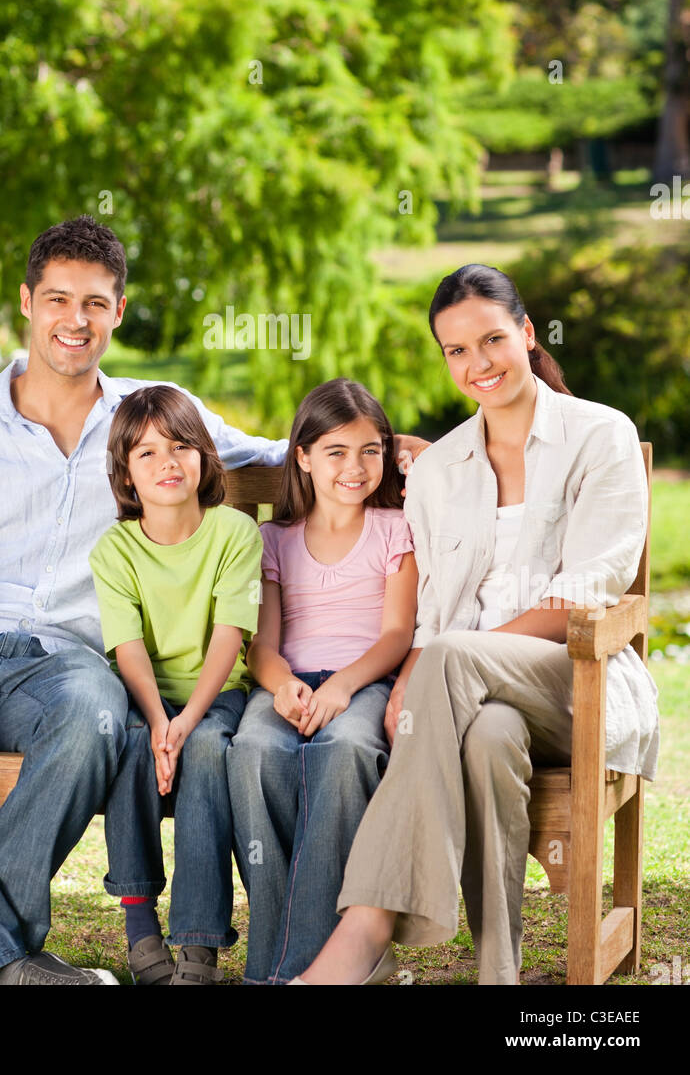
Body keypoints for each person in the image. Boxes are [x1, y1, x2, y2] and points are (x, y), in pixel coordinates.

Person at [0, 215, 289, 986]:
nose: (76, 320)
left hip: (71, 663)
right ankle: (6, 968)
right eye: (59, 300)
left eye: (95, 303)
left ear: (118, 309)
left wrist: (386, 443)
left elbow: (274, 456)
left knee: (97, 723)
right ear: (27, 303)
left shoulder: (155, 414)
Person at [296, 263, 659, 987]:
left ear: (526, 333)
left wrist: (440, 667)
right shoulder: (441, 469)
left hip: (579, 682)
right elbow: (434, 612)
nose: (478, 364)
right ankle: (500, 976)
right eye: (456, 351)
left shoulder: (600, 436)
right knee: (490, 736)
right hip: (474, 701)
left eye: (492, 340)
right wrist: (414, 680)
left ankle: (366, 926)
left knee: (458, 663)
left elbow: (588, 592)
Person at [227, 379, 417, 984]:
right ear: (301, 458)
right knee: (254, 750)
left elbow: (395, 636)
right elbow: (261, 645)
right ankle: (326, 965)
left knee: (346, 749)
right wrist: (282, 684)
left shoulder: (395, 529)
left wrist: (342, 687)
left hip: (365, 680)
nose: (355, 467)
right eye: (335, 452)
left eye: (370, 450)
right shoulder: (274, 540)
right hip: (287, 682)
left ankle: (284, 974)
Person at [89, 384, 263, 986]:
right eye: (146, 453)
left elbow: (229, 637)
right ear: (126, 476)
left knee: (212, 750)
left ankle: (197, 947)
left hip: (217, 694)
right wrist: (160, 723)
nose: (167, 462)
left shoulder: (235, 533)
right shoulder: (115, 549)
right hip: (145, 696)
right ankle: (140, 930)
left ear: (205, 457)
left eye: (181, 445)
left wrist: (187, 720)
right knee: (132, 745)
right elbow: (127, 648)